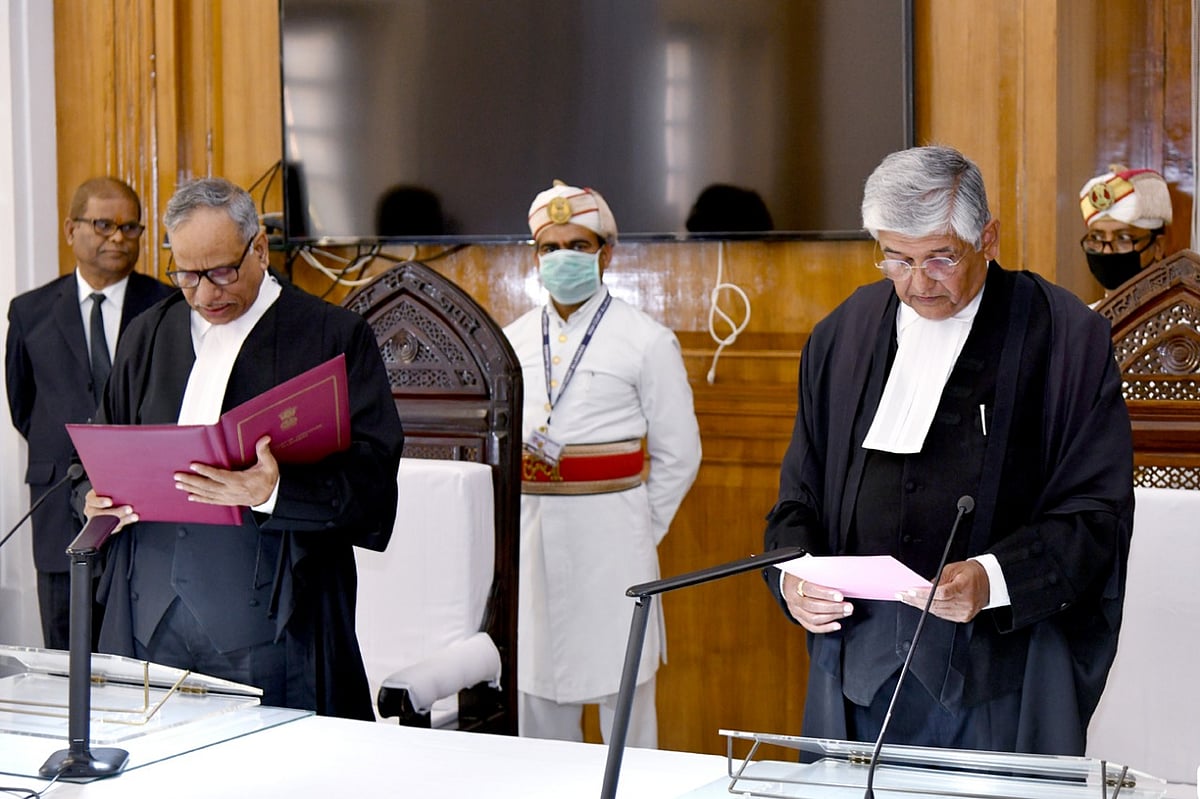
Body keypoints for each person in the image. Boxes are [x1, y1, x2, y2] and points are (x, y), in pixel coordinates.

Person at [762, 145, 1133, 756]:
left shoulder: (1065, 338)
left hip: (998, 674)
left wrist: (992, 579)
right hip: (859, 667)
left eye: (939, 258)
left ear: (986, 238)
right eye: (896, 260)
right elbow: (798, 497)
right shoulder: (842, 335)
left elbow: (1096, 514)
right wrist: (792, 579)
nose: (915, 283)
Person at [81, 177, 404, 719]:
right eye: (186, 276)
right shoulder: (145, 334)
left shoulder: (331, 336)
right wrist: (90, 500)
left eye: (222, 271)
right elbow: (89, 460)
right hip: (145, 619)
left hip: (273, 628)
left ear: (259, 247)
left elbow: (372, 485)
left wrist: (277, 489)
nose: (206, 293)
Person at [504, 180, 702, 746]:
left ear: (606, 253)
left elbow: (679, 454)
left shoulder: (646, 340)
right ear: (535, 256)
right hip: (532, 547)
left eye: (578, 244)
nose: (562, 257)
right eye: (549, 246)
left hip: (615, 549)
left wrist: (637, 528)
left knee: (628, 710)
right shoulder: (510, 341)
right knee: (536, 704)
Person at [5, 176, 175, 650]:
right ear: (70, 229)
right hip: (59, 505)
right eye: (103, 225)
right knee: (68, 655)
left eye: (130, 227)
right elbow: (25, 407)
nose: (118, 237)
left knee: (144, 655)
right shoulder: (30, 311)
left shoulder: (167, 306)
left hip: (147, 511)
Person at [1079, 164, 1173, 294]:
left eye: (1123, 238)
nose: (1107, 251)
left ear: (1158, 246)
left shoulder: (1182, 313)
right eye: (1097, 238)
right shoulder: (1083, 314)